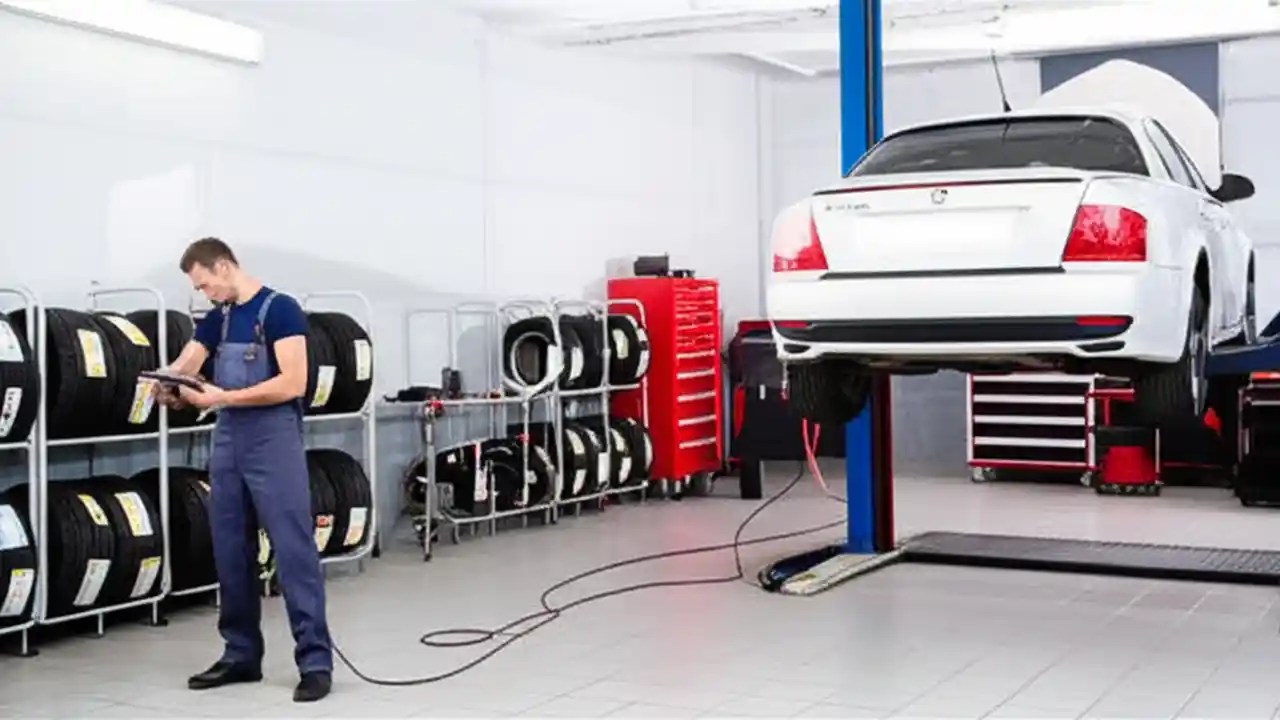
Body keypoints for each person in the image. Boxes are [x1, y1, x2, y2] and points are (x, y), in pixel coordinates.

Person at [159, 237, 333, 703]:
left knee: (293, 550)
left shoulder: (281, 310)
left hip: (273, 439)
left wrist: (221, 397)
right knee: (230, 549)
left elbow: (294, 382)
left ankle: (315, 662)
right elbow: (187, 363)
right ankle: (241, 654)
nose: (204, 293)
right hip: (229, 440)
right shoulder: (218, 318)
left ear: (224, 266)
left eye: (205, 283)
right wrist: (168, 385)